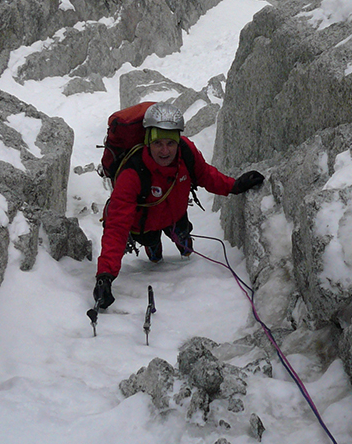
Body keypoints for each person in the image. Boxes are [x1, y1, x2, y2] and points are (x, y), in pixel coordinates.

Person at [93, 102, 264, 311]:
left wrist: (234, 186)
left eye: (170, 143)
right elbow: (117, 227)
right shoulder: (132, 174)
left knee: (184, 241)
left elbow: (205, 175)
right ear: (147, 141)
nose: (165, 151)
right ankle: (154, 247)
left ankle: (179, 241)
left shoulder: (186, 152)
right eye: (158, 143)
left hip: (176, 215)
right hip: (144, 225)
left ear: (178, 141)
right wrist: (105, 276)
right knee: (153, 248)